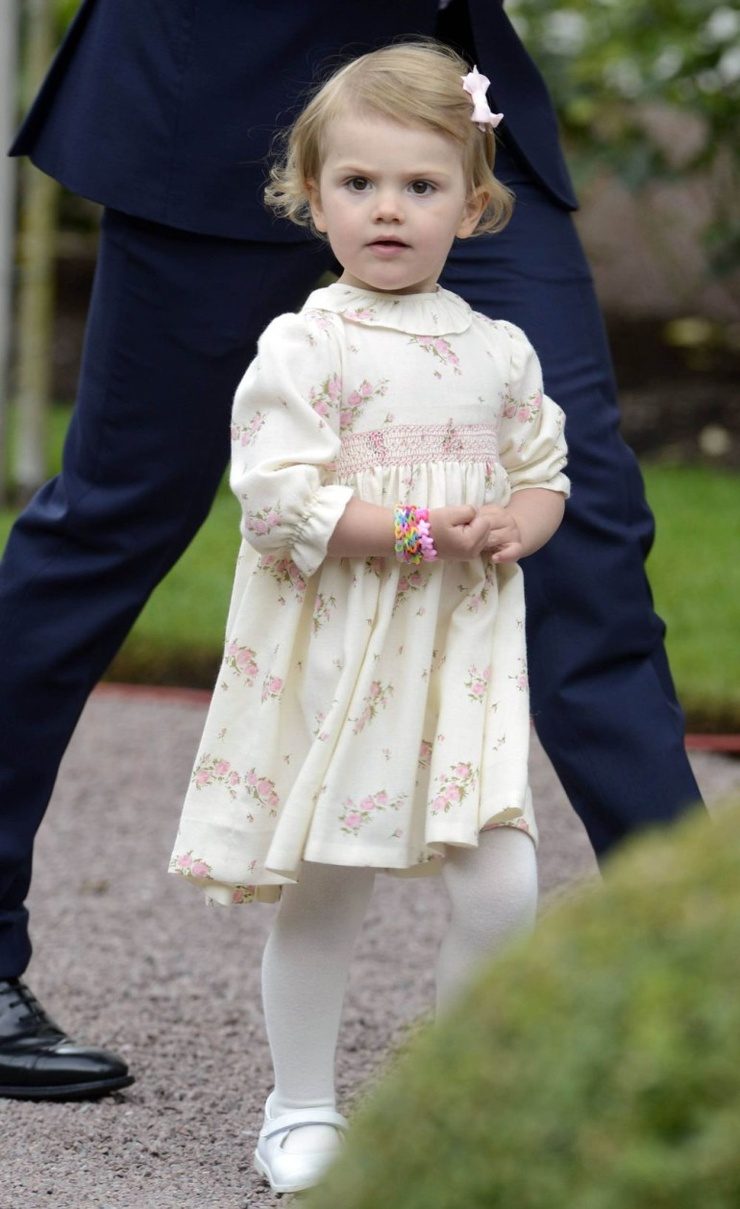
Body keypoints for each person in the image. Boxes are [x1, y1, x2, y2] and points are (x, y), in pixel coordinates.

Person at [0, 0, 702, 1102]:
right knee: (113, 518)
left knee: (582, 523)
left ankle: (698, 978)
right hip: (216, 89)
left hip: (451, 115)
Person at [169, 41, 569, 1194]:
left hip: (457, 666)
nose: (386, 209)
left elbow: (542, 472)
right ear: (313, 197)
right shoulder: (307, 346)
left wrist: (515, 525)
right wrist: (413, 531)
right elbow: (274, 499)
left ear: (472, 206)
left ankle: (451, 1099)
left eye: (420, 185)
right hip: (342, 659)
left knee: (502, 890)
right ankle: (299, 1105)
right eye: (358, 183)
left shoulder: (498, 352)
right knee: (326, 885)